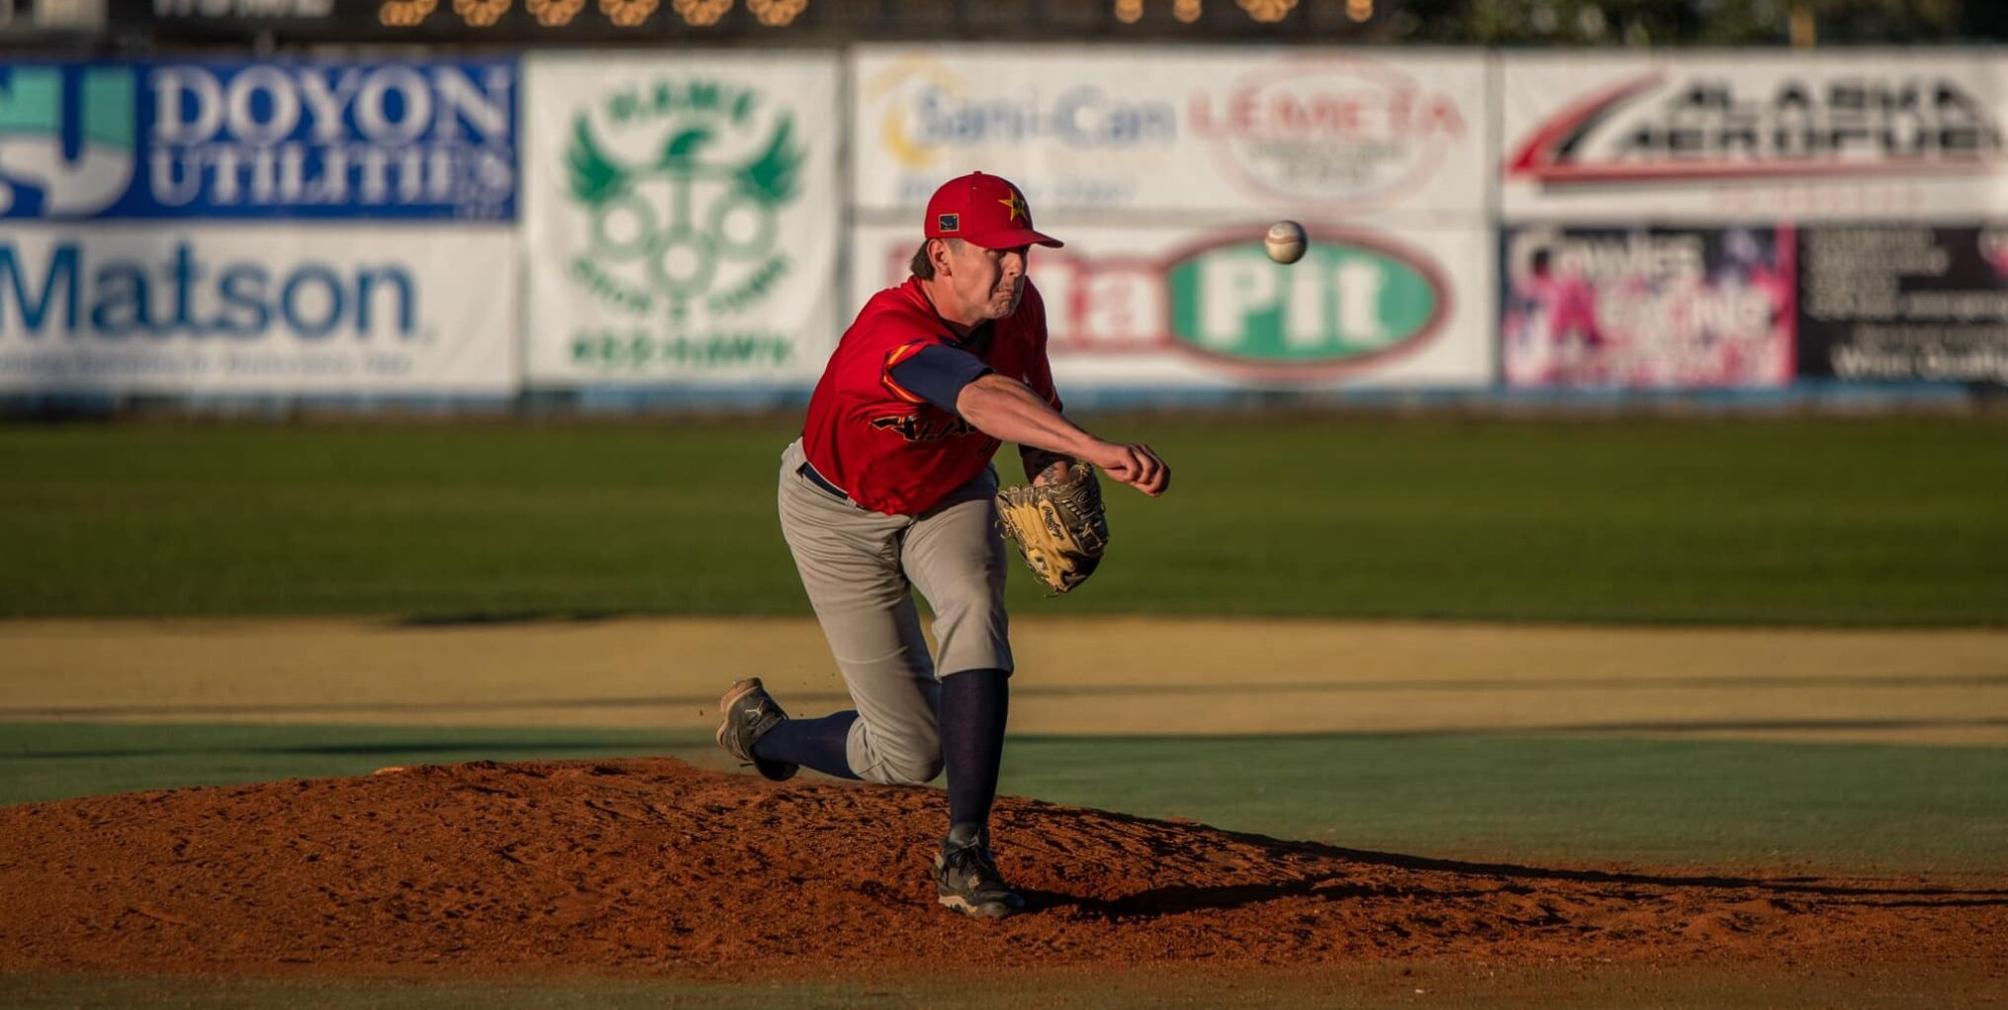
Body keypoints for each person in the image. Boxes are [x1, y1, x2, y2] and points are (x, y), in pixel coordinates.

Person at [714, 171, 1170, 919]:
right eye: (999, 252)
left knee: (973, 601)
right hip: (833, 514)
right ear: (943, 255)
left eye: (1023, 248)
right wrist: (1093, 447)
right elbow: (978, 396)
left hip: (949, 495)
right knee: (908, 754)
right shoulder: (889, 333)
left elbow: (1029, 405)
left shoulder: (1020, 312)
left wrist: (1054, 471)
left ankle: (966, 851)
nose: (1018, 265)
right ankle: (767, 736)